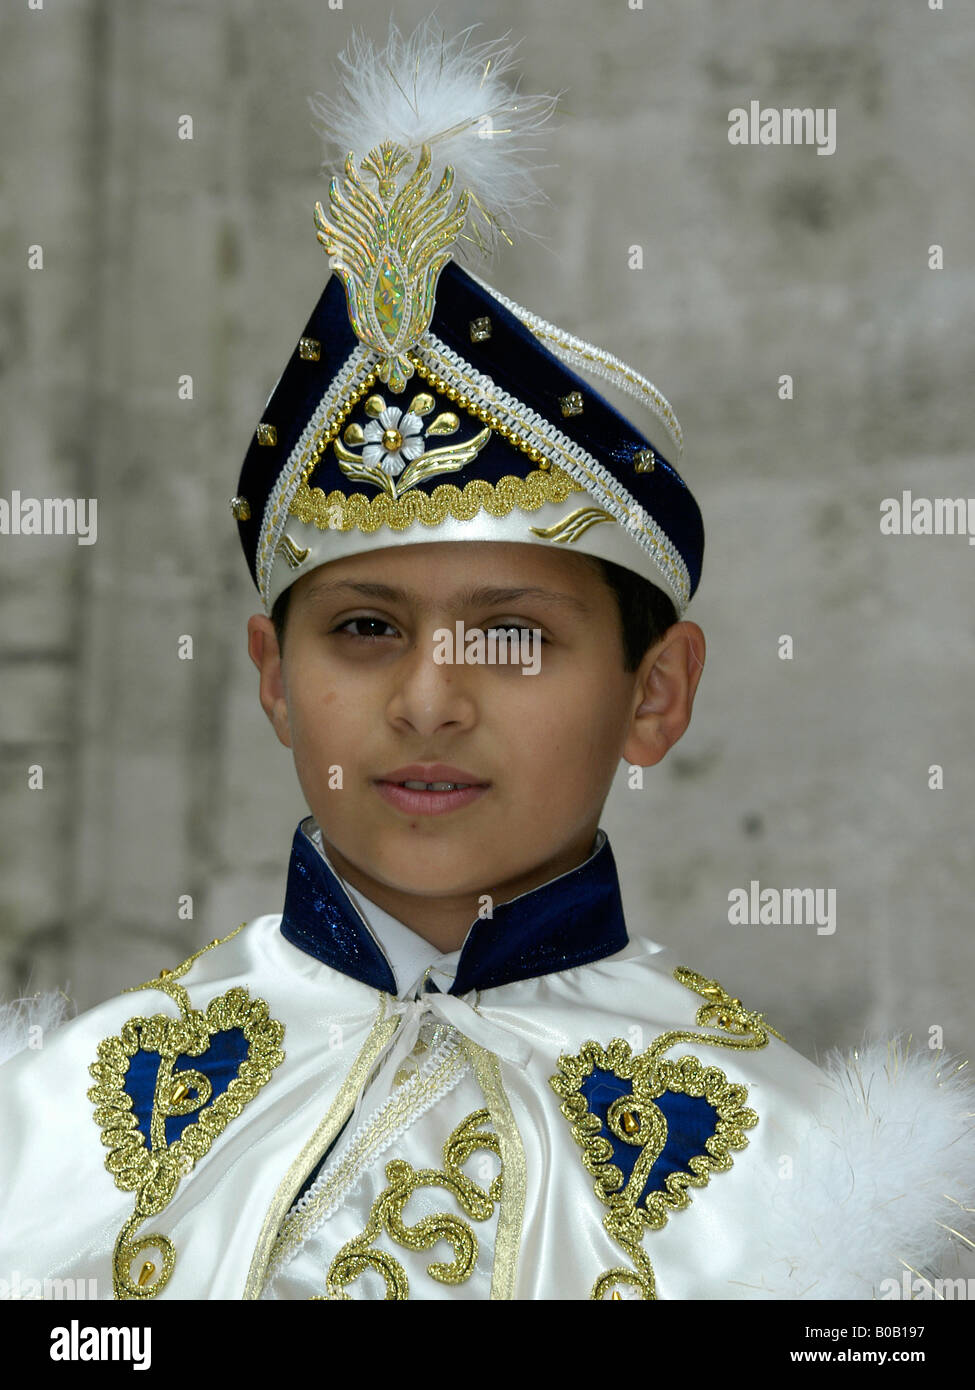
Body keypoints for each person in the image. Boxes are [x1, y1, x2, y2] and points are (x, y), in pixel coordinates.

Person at [1, 19, 972, 1303]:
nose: (426, 700)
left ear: (657, 691)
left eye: (514, 634)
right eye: (364, 627)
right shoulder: (48, 1129)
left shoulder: (815, 1205)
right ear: (273, 674)